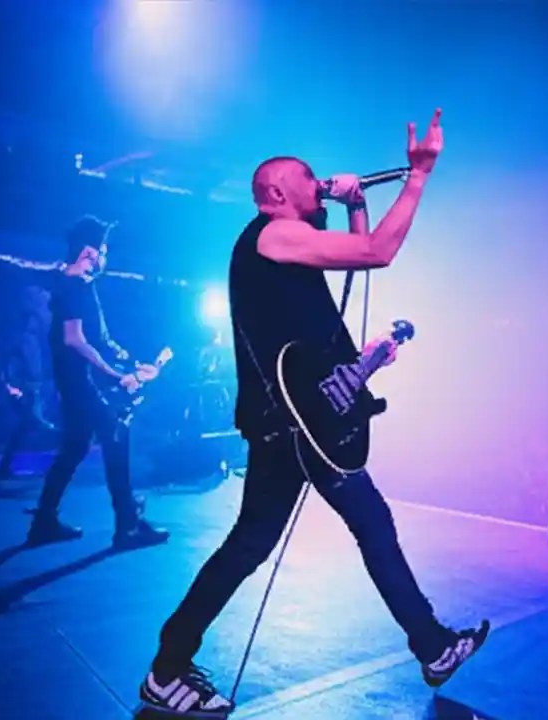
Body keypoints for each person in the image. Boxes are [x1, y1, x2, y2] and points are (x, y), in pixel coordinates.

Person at [139, 110, 487, 717]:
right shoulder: (272, 235)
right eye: (308, 177)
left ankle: (168, 668)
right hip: (293, 427)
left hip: (292, 422)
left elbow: (356, 255)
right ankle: (431, 647)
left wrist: (354, 203)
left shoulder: (282, 241)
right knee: (348, 528)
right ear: (277, 194)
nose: (318, 181)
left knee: (257, 543)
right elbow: (378, 253)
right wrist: (418, 177)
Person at [26, 216, 169, 550]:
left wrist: (130, 363)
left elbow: (97, 339)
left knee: (74, 447)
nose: (105, 256)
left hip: (75, 383)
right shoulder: (76, 286)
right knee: (116, 440)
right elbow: (74, 340)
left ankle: (44, 521)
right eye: (102, 249)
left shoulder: (71, 283)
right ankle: (127, 526)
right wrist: (116, 375)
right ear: (89, 251)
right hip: (84, 384)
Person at [0, 287, 56, 480]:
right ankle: (60, 462)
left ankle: (4, 467)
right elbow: (7, 362)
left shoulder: (35, 338)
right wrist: (11, 385)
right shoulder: (20, 337)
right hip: (25, 388)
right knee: (35, 424)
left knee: (27, 426)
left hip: (34, 387)